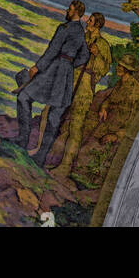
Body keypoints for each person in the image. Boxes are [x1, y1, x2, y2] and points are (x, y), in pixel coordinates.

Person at [17, 0, 89, 166]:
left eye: (70, 9)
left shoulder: (64, 28)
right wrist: (70, 64)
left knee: (23, 96)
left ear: (76, 12)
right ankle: (41, 156)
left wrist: (37, 67)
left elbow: (53, 50)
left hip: (54, 69)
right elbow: (84, 56)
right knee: (55, 116)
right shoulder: (80, 32)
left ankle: (23, 139)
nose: (67, 10)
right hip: (66, 75)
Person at [55, 11, 111, 177]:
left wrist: (97, 55)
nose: (87, 22)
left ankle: (66, 166)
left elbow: (104, 68)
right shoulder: (82, 37)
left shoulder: (102, 44)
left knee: (76, 125)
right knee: (58, 114)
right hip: (72, 77)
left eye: (91, 20)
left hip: (86, 82)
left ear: (98, 24)